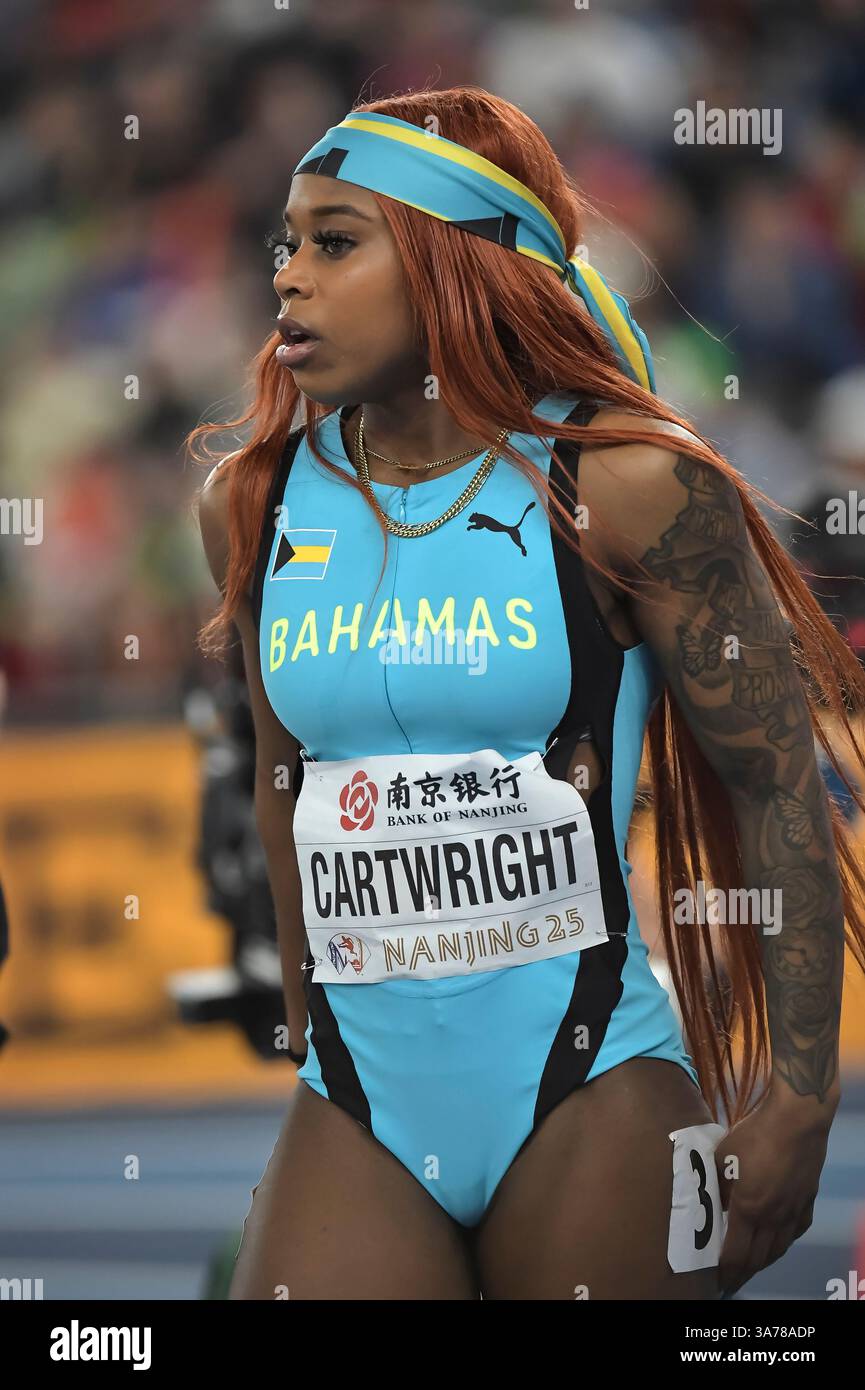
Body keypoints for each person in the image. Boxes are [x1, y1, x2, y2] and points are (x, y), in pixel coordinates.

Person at [191, 87, 865, 1301]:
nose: (288, 275)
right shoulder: (252, 501)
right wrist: (313, 1054)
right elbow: (285, 785)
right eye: (285, 241)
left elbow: (776, 787)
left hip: (587, 1077)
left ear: (462, 260)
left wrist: (799, 1099)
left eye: (336, 241)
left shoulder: (624, 482)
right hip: (361, 1096)